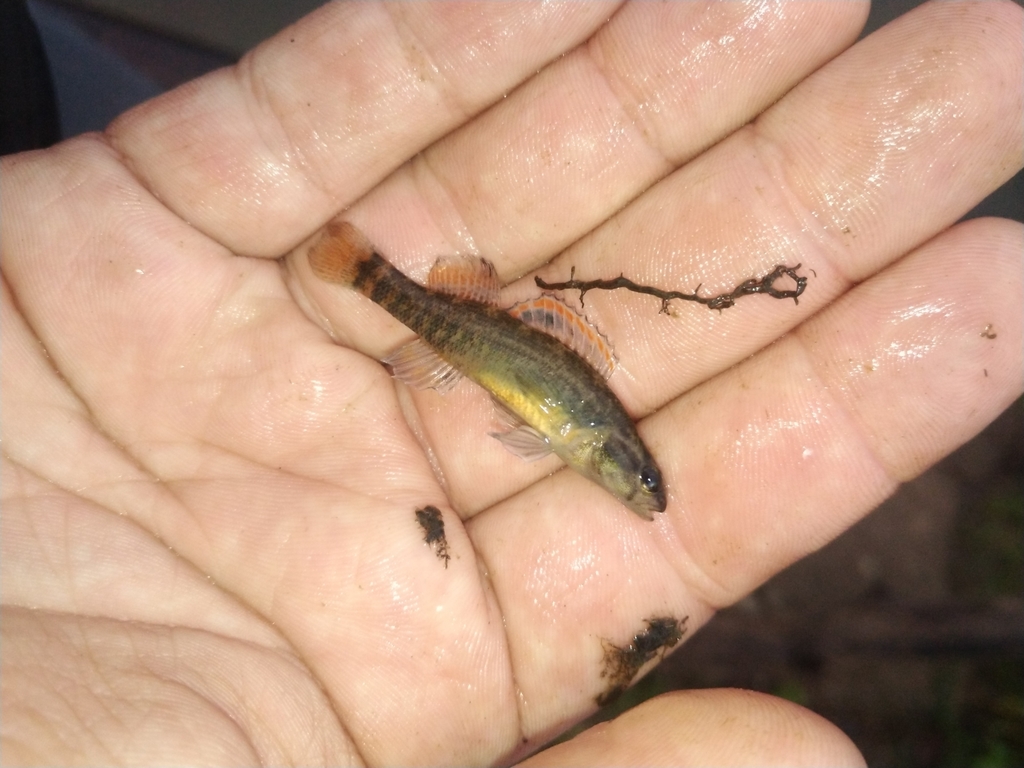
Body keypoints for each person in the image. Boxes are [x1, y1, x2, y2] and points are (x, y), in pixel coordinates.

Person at [2, 2, 1021, 765]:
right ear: (615, 462)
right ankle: (367, 277)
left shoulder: (587, 442)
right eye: (634, 481)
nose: (630, 489)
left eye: (632, 486)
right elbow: (548, 411)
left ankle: (368, 278)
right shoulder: (590, 440)